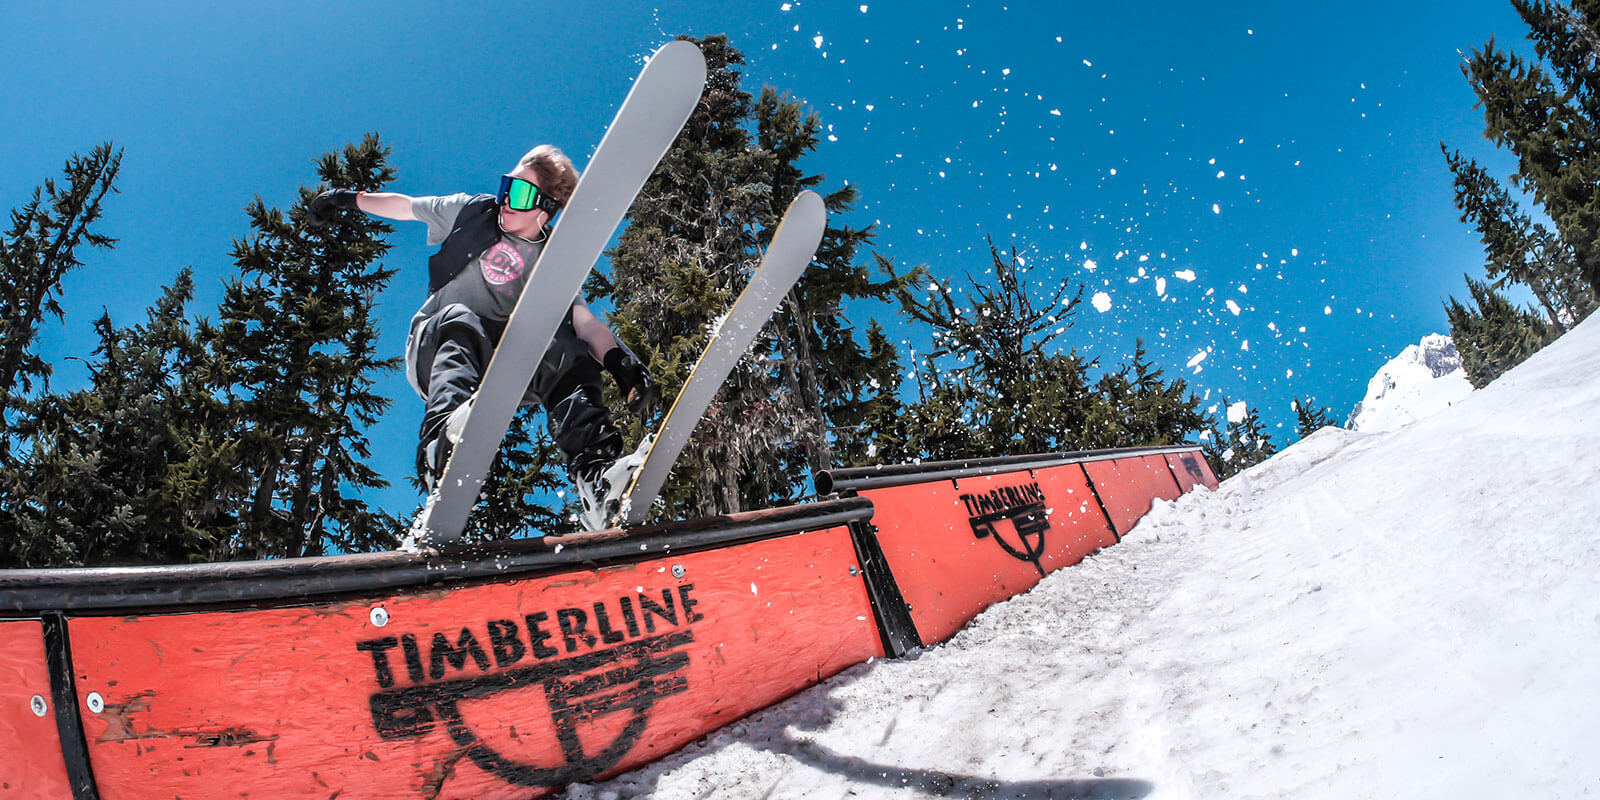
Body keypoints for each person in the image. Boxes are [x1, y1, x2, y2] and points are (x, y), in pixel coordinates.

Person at [307, 145, 655, 531]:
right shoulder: (472, 210)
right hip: (438, 348)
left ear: (545, 208)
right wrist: (346, 199)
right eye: (506, 187)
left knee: (565, 346)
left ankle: (597, 478)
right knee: (463, 320)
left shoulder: (553, 259)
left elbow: (583, 320)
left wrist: (619, 361)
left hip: (503, 367)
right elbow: (405, 206)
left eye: (518, 193)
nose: (505, 200)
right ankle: (442, 445)